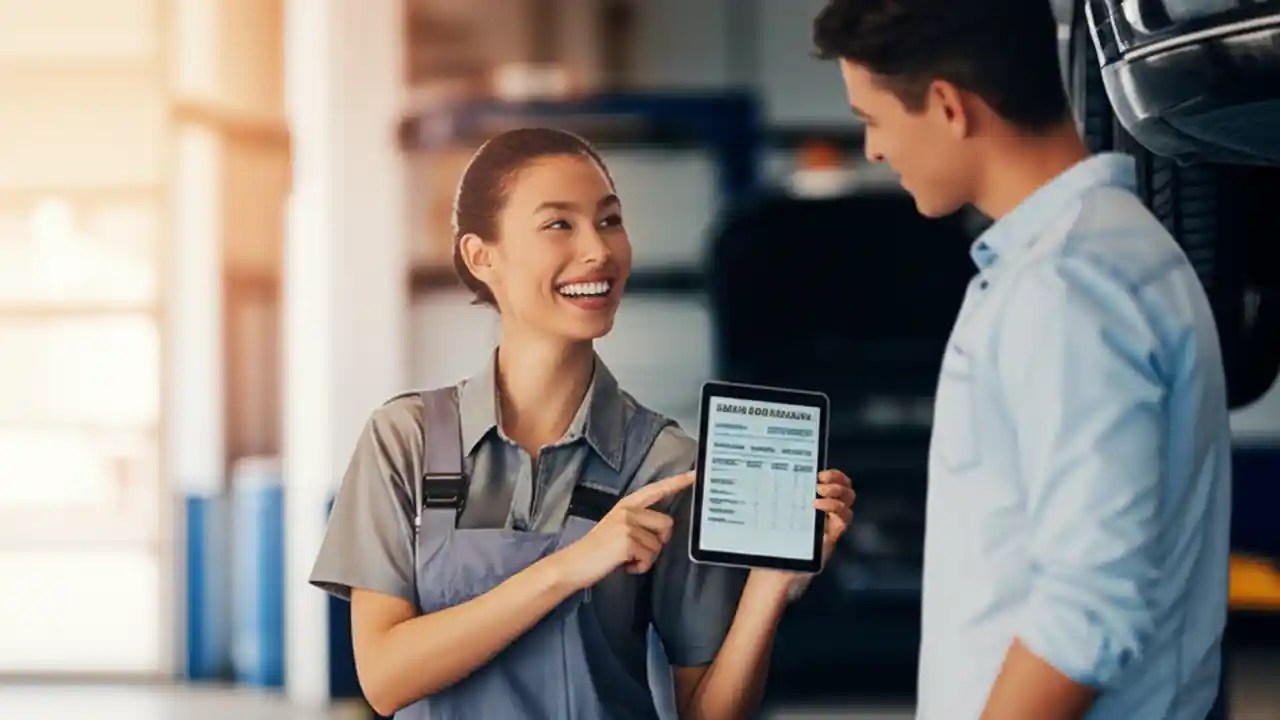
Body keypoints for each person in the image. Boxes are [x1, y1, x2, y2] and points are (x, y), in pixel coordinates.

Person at [309, 128, 856, 719]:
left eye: (610, 220)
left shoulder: (668, 466)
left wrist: (770, 585)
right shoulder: (405, 440)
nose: (599, 250)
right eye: (559, 225)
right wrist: (569, 567)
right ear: (480, 255)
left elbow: (707, 713)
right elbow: (386, 679)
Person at [812, 1, 1231, 719]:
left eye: (872, 118)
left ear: (947, 106)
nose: (873, 149)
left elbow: (1088, 613)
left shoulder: (1067, 288)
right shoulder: (1093, 257)